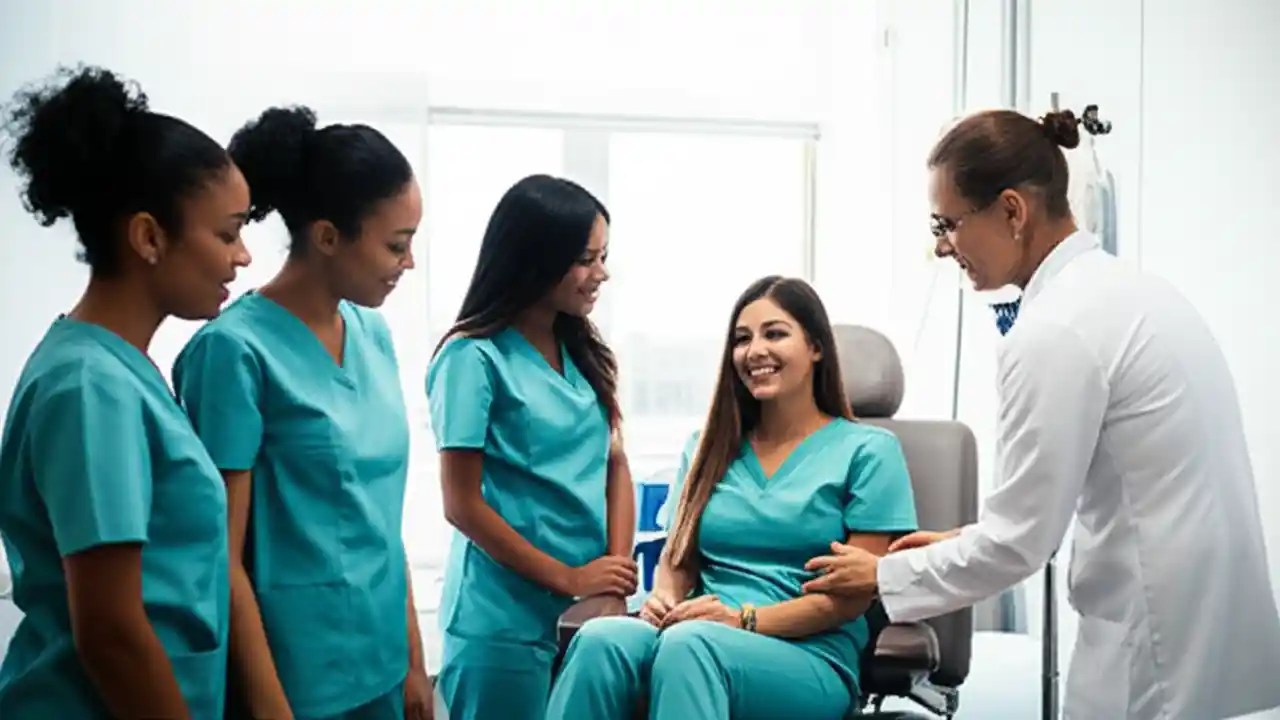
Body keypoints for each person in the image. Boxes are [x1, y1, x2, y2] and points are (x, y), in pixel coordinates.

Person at [802, 108, 1280, 719]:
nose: (943, 246)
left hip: (1151, 642)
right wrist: (956, 541)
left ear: (1011, 211)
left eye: (948, 223)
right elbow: (1089, 492)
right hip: (1206, 621)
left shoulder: (1053, 330)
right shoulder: (1131, 293)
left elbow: (1020, 544)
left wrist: (880, 578)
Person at [546, 276, 919, 720]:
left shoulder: (869, 451)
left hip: (808, 655)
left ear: (816, 347)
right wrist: (665, 597)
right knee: (600, 640)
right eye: (742, 339)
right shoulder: (706, 447)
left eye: (775, 333)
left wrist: (743, 620)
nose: (754, 350)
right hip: (698, 631)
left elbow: (852, 597)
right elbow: (678, 558)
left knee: (691, 647)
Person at [0, 65, 251, 719]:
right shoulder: (90, 387)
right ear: (148, 237)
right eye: (227, 233)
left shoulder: (120, 369)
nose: (244, 256)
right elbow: (111, 632)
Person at [171, 106, 429, 720]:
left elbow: (379, 518)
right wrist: (268, 703)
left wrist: (414, 662)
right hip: (295, 680)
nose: (409, 263)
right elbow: (220, 557)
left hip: (384, 665)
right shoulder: (233, 353)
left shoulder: (372, 333)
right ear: (327, 236)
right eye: (397, 244)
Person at [426, 174, 639, 720]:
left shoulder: (584, 352)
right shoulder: (471, 358)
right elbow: (462, 504)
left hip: (590, 615)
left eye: (603, 256)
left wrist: (612, 575)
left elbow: (614, 464)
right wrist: (570, 578)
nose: (602, 274)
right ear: (537, 259)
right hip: (502, 623)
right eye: (587, 259)